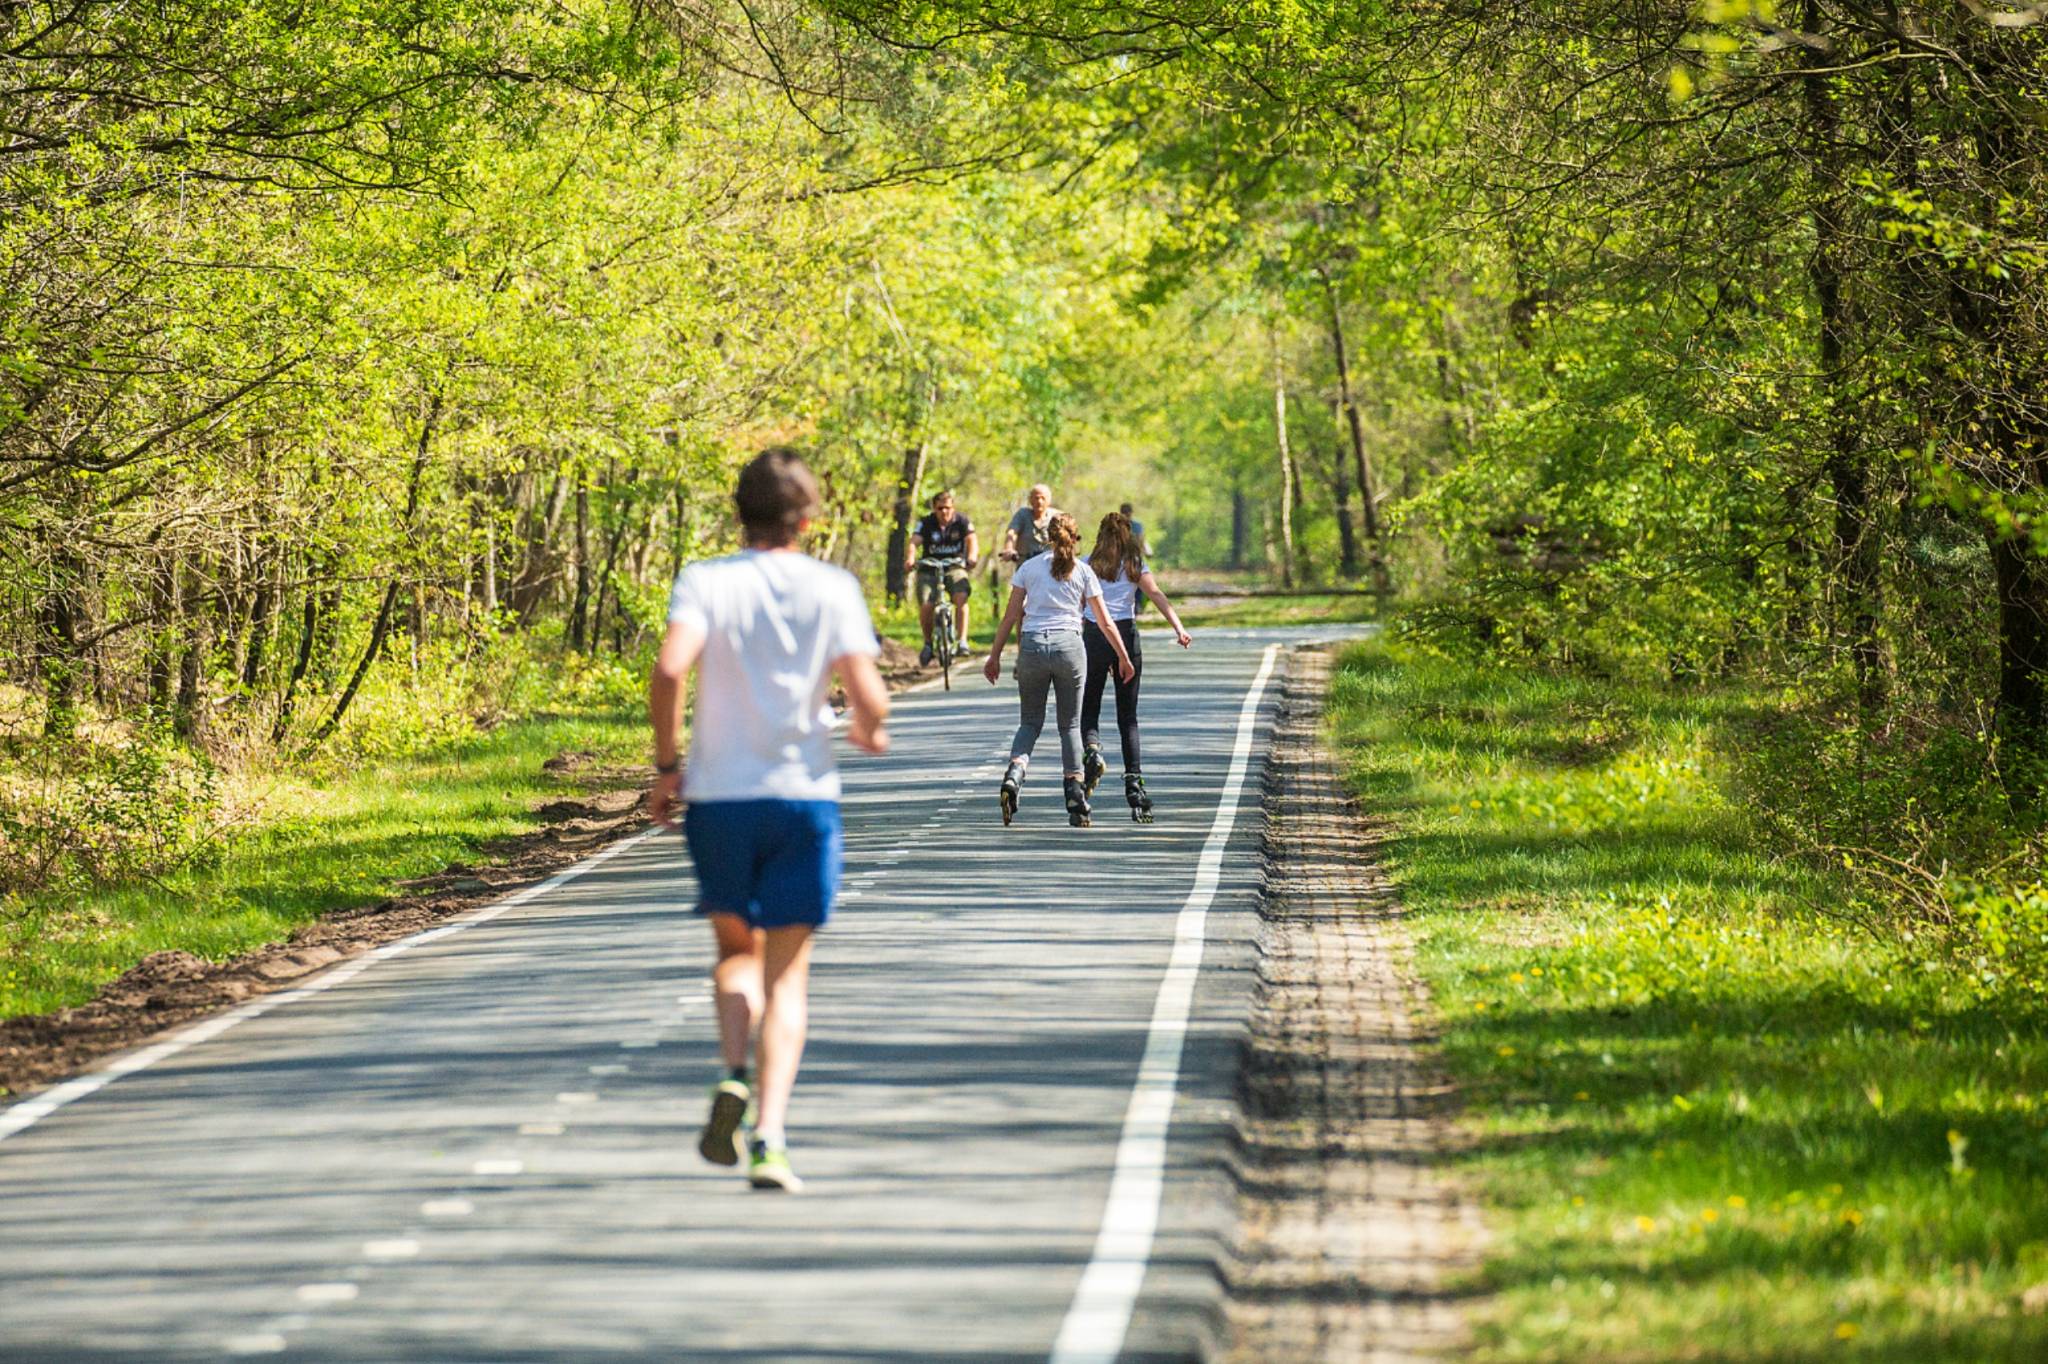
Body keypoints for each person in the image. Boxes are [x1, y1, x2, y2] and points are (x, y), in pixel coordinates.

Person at [648, 448, 891, 1193]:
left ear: (738, 513)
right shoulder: (833, 587)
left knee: (734, 952)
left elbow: (668, 670)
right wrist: (868, 730)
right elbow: (869, 700)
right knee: (788, 977)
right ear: (808, 519)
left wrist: (666, 767)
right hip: (802, 797)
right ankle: (771, 1138)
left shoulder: (706, 581)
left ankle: (730, 1071)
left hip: (719, 798)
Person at [983, 513, 1134, 827]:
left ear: (1048, 538)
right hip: (1069, 647)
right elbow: (1104, 622)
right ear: (1075, 539)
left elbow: (1011, 617)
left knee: (1030, 722)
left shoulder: (1028, 568)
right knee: (1069, 725)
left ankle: (1014, 775)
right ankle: (1075, 795)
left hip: (1033, 646)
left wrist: (994, 656)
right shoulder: (1083, 571)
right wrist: (1123, 656)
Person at [1081, 512, 1191, 823]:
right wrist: (1178, 628)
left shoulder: (1088, 563)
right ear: (1128, 535)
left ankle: (1091, 750)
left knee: (1089, 709)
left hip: (1094, 636)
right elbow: (1155, 594)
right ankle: (1134, 782)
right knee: (1127, 716)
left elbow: (1077, 602)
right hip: (1126, 637)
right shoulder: (1133, 563)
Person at [905, 489, 978, 664]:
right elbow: (914, 542)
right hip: (929, 567)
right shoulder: (926, 523)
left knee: (961, 597)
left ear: (953, 508)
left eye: (947, 508)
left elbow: (972, 540)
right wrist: (910, 558)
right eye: (940, 508)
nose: (944, 512)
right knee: (926, 604)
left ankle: (962, 641)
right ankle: (928, 644)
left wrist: (972, 557)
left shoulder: (962, 521)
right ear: (934, 509)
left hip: (954, 566)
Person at [1000, 484, 1061, 565]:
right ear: (1030, 500)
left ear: (1049, 500)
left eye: (1043, 498)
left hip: (1050, 566)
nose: (1039, 501)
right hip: (1025, 564)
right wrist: (1009, 548)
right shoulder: (1022, 515)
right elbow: (1012, 533)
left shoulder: (1057, 516)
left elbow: (1067, 536)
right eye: (1036, 498)